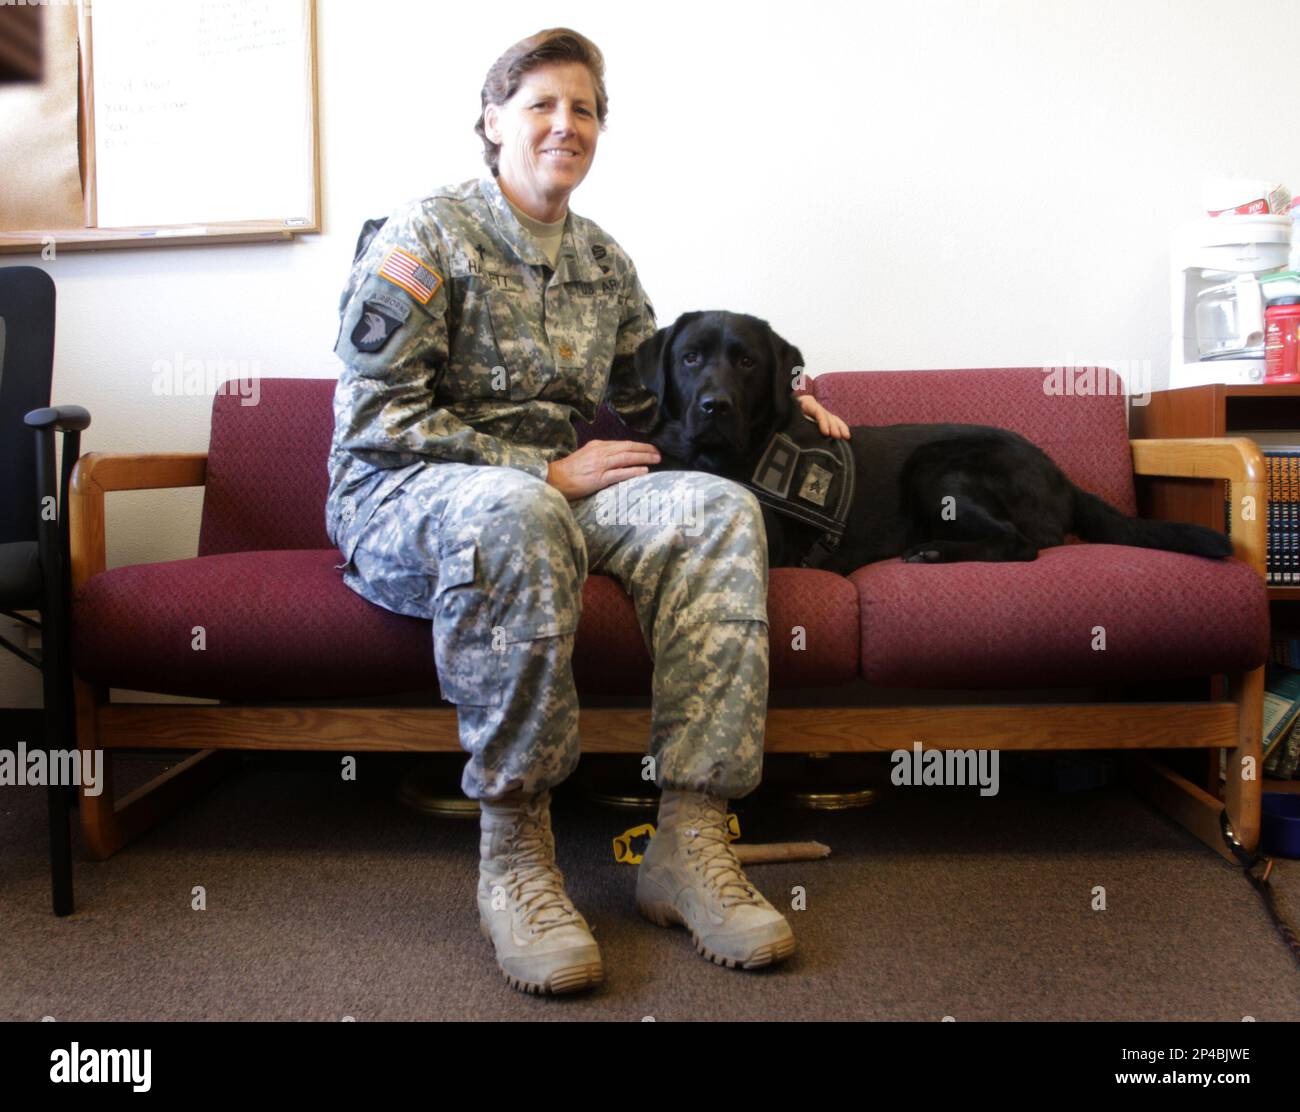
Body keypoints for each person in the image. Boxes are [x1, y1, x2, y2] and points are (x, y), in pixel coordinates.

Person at [326, 28, 849, 996]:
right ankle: (517, 855)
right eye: (540, 104)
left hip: (553, 489)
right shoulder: (424, 234)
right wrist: (543, 469)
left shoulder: (602, 263)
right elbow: (375, 418)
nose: (565, 124)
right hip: (405, 495)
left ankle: (689, 840)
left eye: (584, 109)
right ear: (492, 121)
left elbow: (661, 396)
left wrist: (790, 398)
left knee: (716, 510)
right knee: (516, 509)